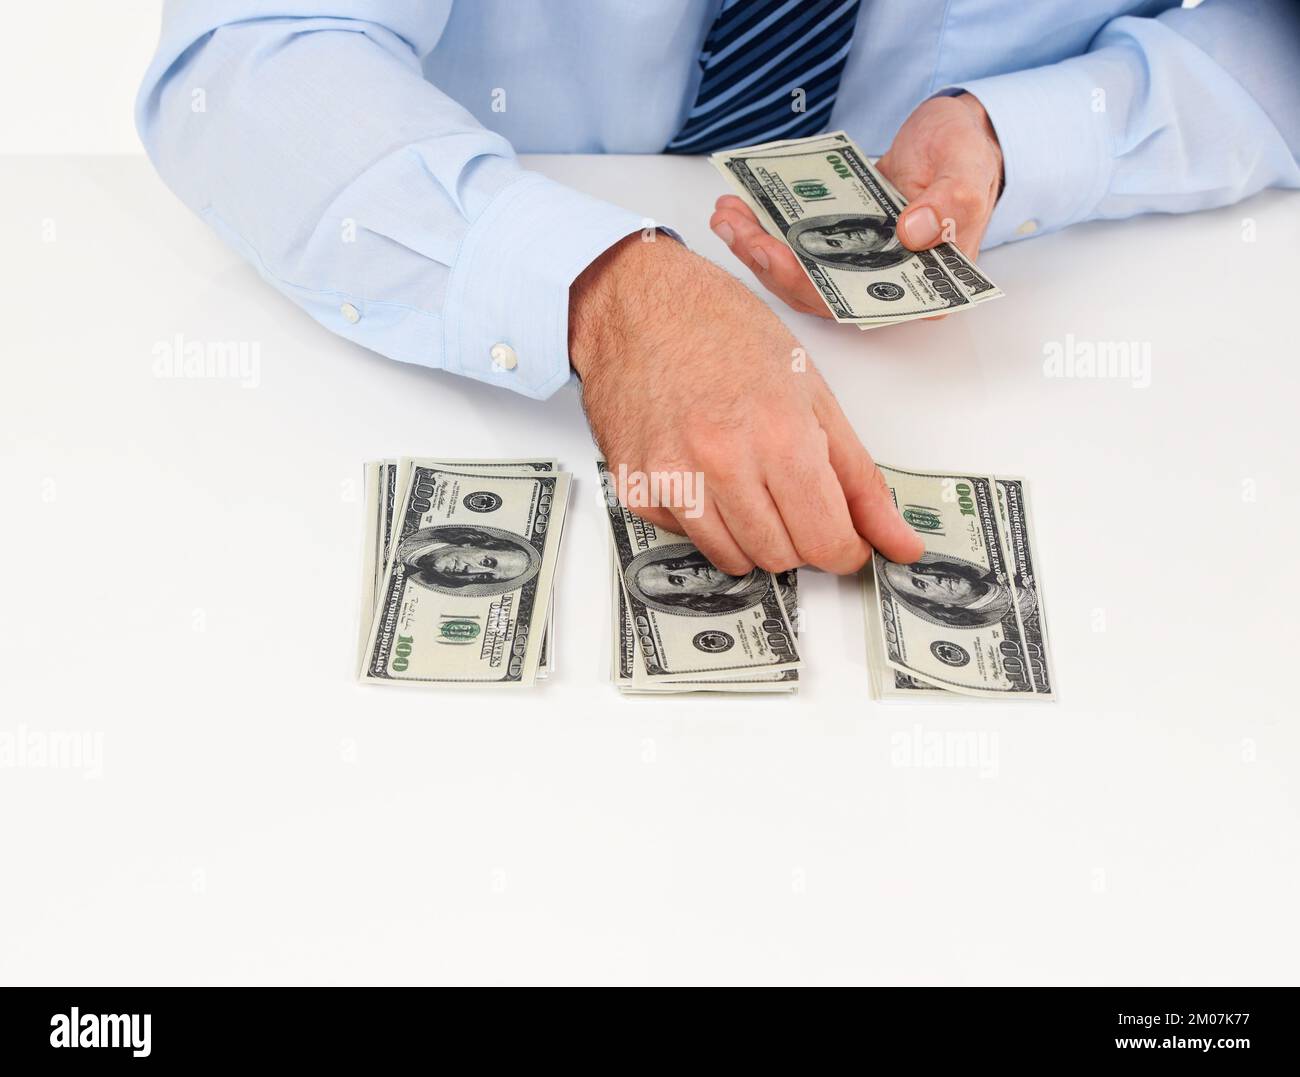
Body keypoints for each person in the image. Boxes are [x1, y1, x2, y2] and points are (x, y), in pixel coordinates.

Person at [137, 1, 1300, 579]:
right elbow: (242, 64)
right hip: (418, 364)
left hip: (1084, 368)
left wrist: (1023, 134)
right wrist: (599, 287)